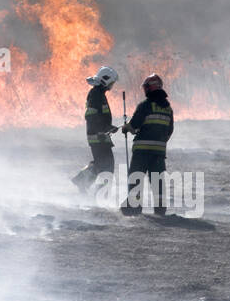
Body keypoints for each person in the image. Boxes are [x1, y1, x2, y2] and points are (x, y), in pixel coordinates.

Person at [120, 73, 174, 215]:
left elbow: (134, 126)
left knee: (136, 178)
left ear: (150, 88)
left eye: (146, 88)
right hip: (159, 153)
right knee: (158, 182)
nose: (145, 90)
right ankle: (160, 209)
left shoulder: (145, 105)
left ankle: (134, 207)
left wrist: (126, 128)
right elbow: (169, 131)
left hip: (141, 152)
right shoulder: (168, 109)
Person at [72, 65, 119, 192]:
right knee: (107, 167)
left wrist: (107, 128)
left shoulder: (99, 94)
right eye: (112, 82)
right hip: (98, 137)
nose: (112, 85)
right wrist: (106, 127)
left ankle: (82, 181)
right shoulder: (96, 94)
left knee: (101, 164)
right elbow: (91, 116)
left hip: (100, 135)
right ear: (106, 80)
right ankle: (96, 191)